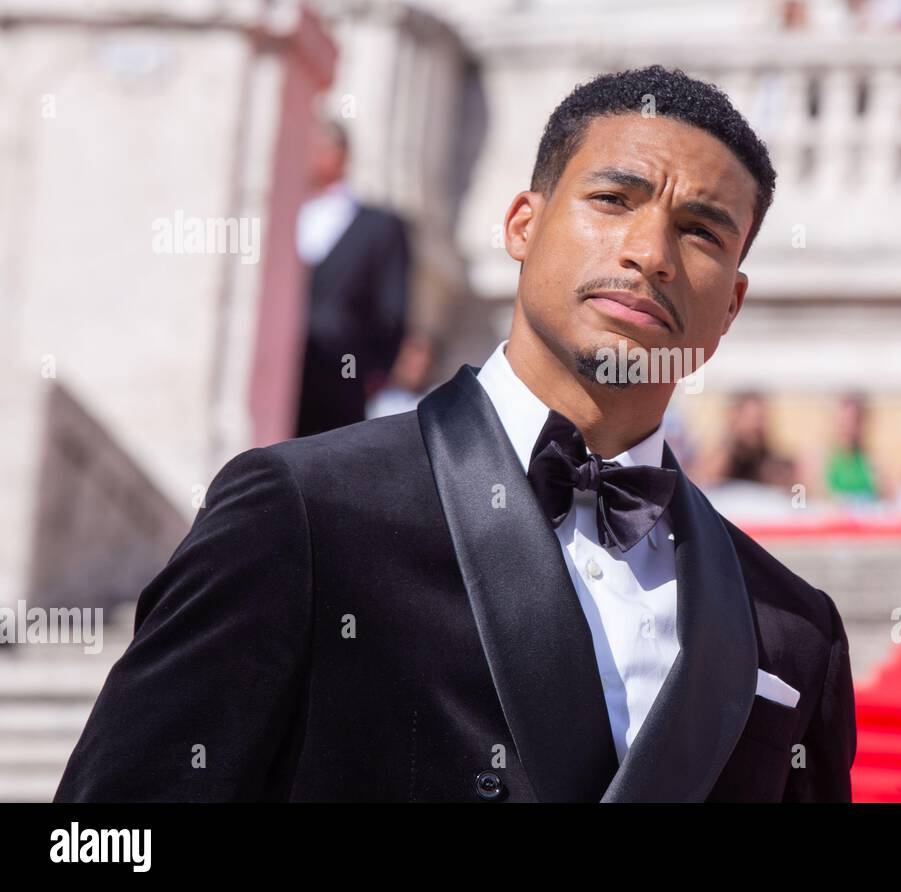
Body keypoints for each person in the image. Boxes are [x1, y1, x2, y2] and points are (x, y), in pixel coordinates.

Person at [54, 65, 856, 803]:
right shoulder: (302, 512)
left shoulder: (793, 627)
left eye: (702, 232)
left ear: (733, 305)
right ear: (520, 225)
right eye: (614, 200)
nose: (650, 253)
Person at [293, 118, 412, 437]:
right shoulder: (280, 216)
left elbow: (392, 312)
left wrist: (369, 375)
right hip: (277, 383)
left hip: (338, 390)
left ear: (337, 154)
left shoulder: (380, 226)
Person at [823, 393, 879, 501]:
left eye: (854, 421)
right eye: (844, 421)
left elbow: (884, 496)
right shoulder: (824, 459)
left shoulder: (871, 460)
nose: (849, 427)